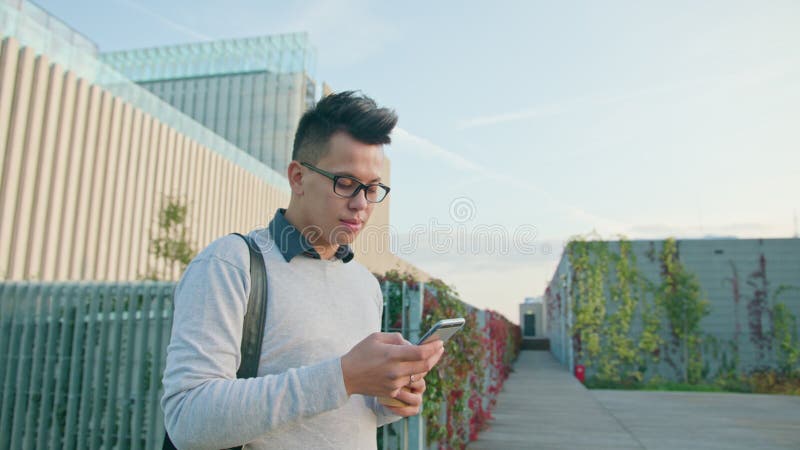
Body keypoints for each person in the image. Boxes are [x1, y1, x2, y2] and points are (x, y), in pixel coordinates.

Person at [161, 91, 445, 449]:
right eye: (345, 183)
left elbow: (346, 410)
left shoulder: (364, 284)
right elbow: (188, 419)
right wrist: (343, 376)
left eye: (372, 189)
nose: (361, 204)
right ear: (297, 177)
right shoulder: (230, 264)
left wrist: (390, 397)